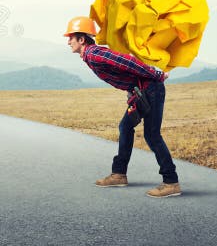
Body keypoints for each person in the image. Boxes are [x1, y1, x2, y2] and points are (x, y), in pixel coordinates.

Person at [64, 16, 181, 198]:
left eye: (71, 37)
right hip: (141, 91)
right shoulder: (90, 56)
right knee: (125, 127)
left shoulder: (94, 53)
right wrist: (132, 92)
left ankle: (171, 182)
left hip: (151, 88)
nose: (68, 41)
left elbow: (127, 61)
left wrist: (156, 74)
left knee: (152, 135)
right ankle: (119, 174)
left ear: (81, 39)